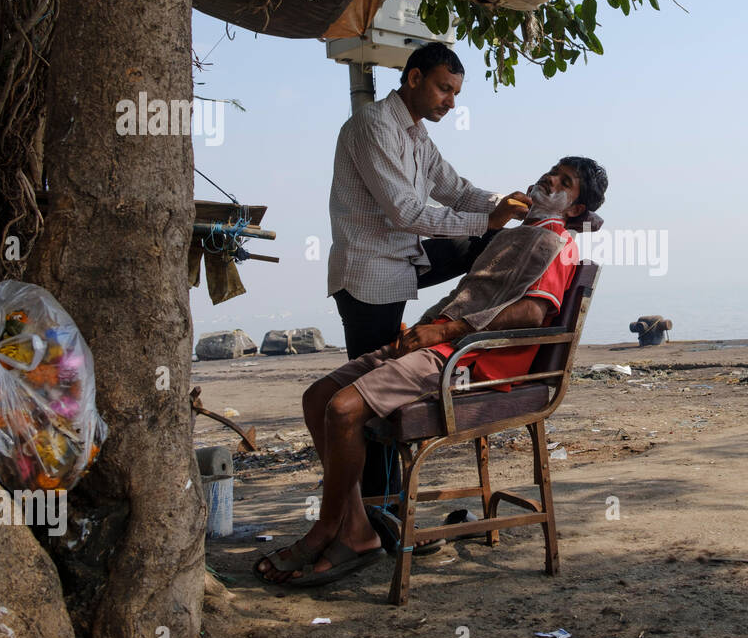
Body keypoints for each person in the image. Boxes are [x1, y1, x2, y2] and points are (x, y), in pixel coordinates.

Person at [256, 157, 608, 587]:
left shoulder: (554, 244)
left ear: (573, 208)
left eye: (565, 181)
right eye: (554, 170)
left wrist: (443, 330)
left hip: (466, 364)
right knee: (318, 398)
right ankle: (356, 529)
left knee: (343, 411)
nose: (550, 178)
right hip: (441, 343)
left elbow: (532, 312)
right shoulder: (519, 235)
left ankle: (326, 530)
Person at [327, 42, 533, 360]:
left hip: (405, 260)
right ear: (414, 78)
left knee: (495, 240)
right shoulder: (375, 125)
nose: (451, 103)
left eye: (455, 94)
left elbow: (459, 193)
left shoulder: (418, 135)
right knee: (369, 376)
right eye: (443, 89)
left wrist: (506, 204)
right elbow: (406, 214)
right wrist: (489, 219)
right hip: (370, 274)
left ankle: (469, 322)